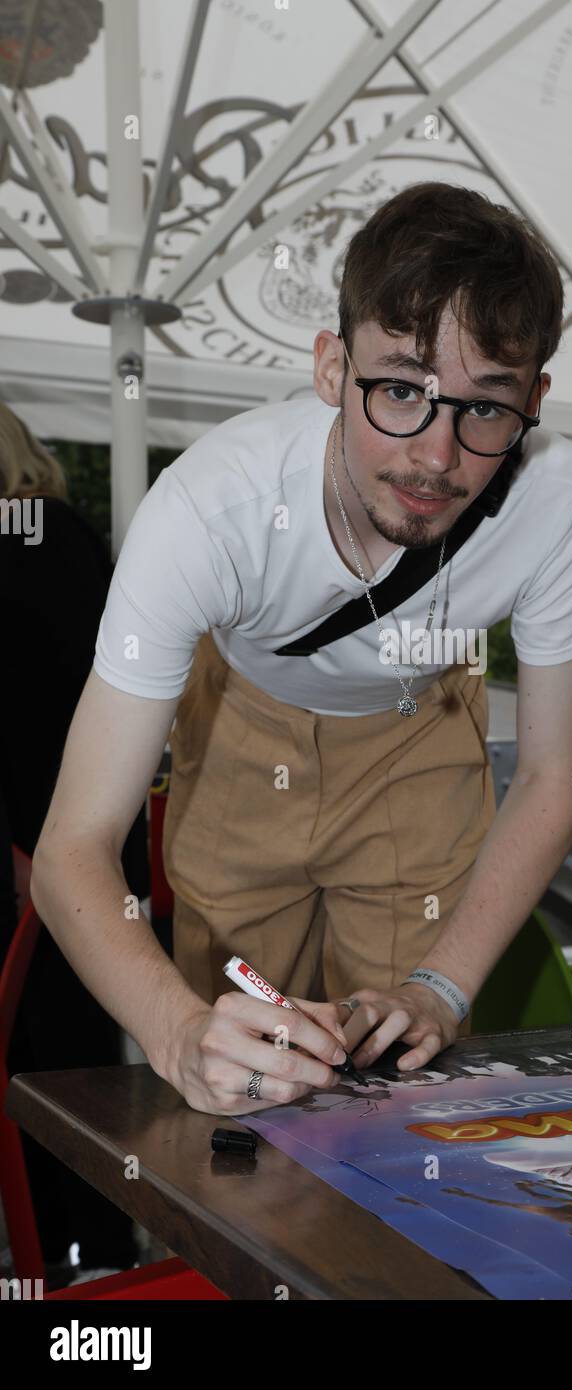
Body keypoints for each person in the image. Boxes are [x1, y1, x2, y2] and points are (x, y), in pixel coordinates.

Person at [31, 182, 572, 1117]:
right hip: (238, 727)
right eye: (399, 390)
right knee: (233, 1070)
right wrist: (175, 1037)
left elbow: (555, 774)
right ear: (331, 367)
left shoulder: (556, 501)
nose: (436, 458)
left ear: (535, 399)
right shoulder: (206, 510)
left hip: (421, 726)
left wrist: (444, 989)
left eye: (486, 409)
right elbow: (72, 849)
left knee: (398, 1081)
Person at [0, 403, 142, 1282]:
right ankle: (102, 1257)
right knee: (83, 1065)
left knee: (28, 1071)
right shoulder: (79, 539)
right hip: (93, 846)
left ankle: (52, 1261)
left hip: (24, 858)